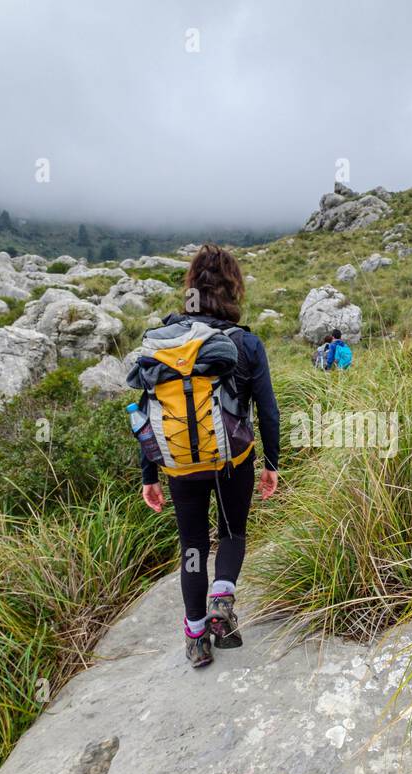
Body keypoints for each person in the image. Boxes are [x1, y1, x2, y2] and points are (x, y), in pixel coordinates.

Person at [139, 244, 279, 668]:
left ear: (191, 288)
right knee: (232, 533)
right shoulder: (246, 342)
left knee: (193, 545)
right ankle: (222, 598)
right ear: (233, 288)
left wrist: (149, 474)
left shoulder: (162, 342)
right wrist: (271, 464)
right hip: (233, 459)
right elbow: (268, 409)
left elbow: (147, 413)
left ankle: (196, 638)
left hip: (180, 465)